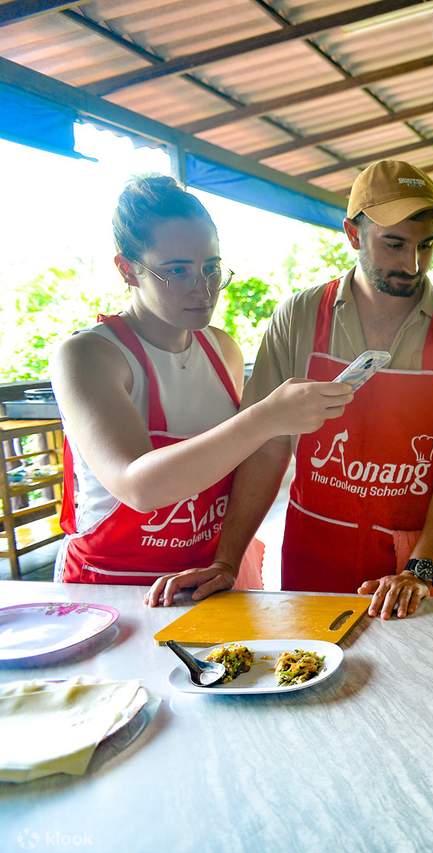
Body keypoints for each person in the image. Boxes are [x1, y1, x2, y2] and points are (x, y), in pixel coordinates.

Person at [146, 160, 433, 617]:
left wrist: (420, 569)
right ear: (353, 234)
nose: (412, 263)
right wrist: (227, 559)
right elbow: (267, 448)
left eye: (427, 246)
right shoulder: (299, 317)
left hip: (425, 559)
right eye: (395, 244)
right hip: (317, 549)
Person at [52, 176, 351, 586]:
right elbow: (139, 487)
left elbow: (243, 462)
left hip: (207, 576)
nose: (203, 289)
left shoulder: (222, 349)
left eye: (210, 268)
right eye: (177, 271)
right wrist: (267, 418)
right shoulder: (90, 356)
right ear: (128, 270)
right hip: (117, 582)